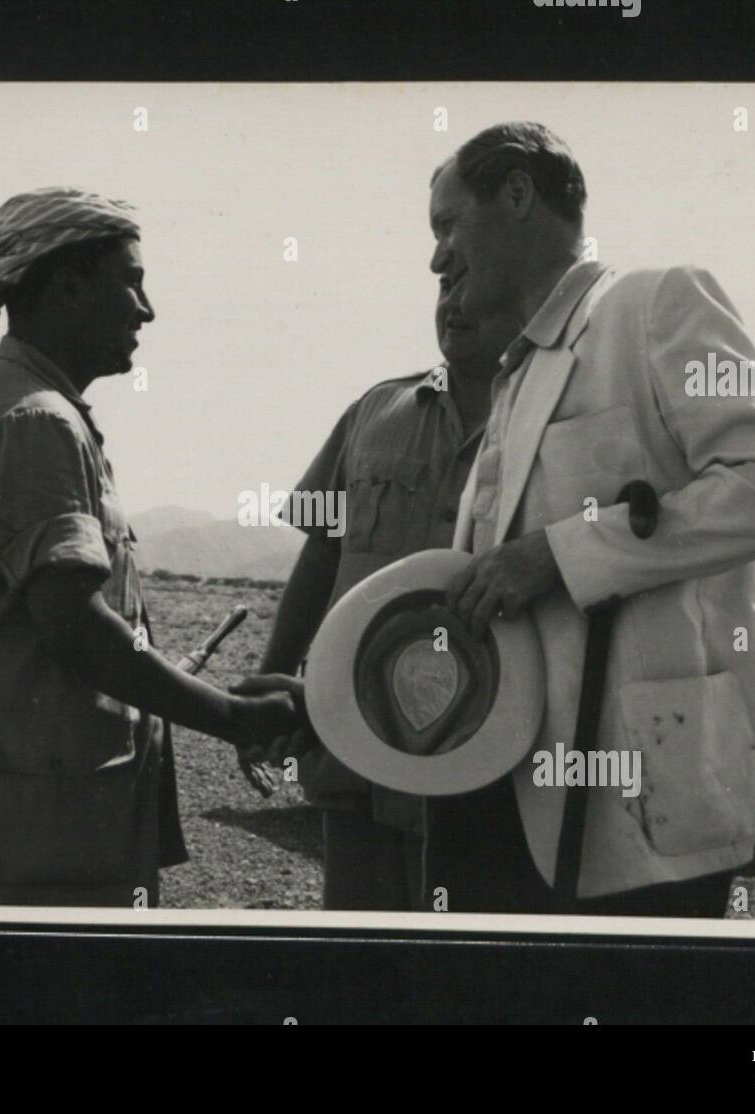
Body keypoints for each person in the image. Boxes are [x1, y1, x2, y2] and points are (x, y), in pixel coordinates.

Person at [0, 188, 296, 908]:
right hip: (4, 840)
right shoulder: (34, 422)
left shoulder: (16, 403)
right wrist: (229, 717)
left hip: (8, 823)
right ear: (69, 285)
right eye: (132, 281)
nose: (146, 310)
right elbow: (76, 629)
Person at [425, 122, 755, 914]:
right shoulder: (515, 373)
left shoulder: (656, 303)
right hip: (505, 789)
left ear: (517, 195)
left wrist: (564, 553)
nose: (437, 256)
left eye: (447, 225)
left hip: (633, 813)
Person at [256, 280, 515, 911]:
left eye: (473, 283)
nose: (455, 302)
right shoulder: (376, 411)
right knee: (356, 963)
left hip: (475, 759)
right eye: (445, 285)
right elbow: (321, 553)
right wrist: (270, 678)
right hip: (354, 750)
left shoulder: (547, 427)